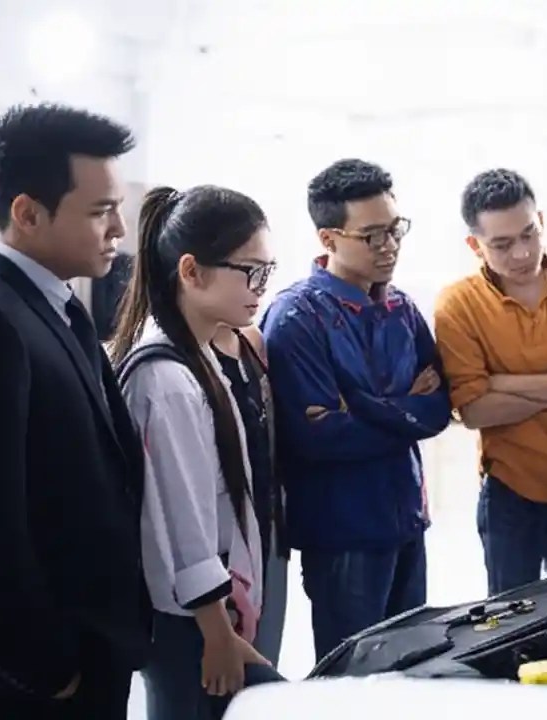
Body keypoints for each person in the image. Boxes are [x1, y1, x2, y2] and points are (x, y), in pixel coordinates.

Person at [0, 103, 151, 719]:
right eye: (101, 211)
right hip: (43, 662)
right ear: (27, 212)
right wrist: (42, 665)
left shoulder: (55, 304)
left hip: (94, 634)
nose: (119, 229)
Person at [262, 159, 451, 660]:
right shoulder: (296, 318)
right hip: (342, 531)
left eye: (394, 230)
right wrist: (402, 408)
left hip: (407, 518)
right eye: (372, 236)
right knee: (352, 680)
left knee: (411, 669)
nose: (388, 246)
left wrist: (362, 406)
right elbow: (319, 437)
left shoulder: (403, 309)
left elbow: (437, 410)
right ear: (328, 237)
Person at [109, 184, 276, 718]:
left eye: (266, 272)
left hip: (211, 610)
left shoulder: (201, 352)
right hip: (191, 621)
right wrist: (216, 631)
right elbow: (182, 521)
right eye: (249, 271)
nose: (260, 289)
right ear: (191, 271)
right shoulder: (166, 377)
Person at [434, 168, 547, 595]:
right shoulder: (458, 304)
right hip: (509, 492)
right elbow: (477, 411)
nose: (521, 253)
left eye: (529, 234)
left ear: (542, 223)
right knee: (511, 622)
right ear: (474, 245)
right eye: (501, 244)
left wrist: (501, 382)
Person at [211, 323, 288, 667]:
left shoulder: (250, 342)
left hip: (266, 528)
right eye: (246, 270)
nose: (256, 287)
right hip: (215, 545)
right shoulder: (168, 362)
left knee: (263, 662)